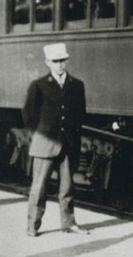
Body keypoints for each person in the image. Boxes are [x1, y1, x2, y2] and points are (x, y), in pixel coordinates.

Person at [23, 42, 88, 237]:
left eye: (62, 60)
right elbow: (28, 113)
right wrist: (40, 135)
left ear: (66, 61)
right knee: (39, 188)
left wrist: (73, 135)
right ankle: (32, 226)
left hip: (68, 144)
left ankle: (68, 223)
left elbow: (80, 113)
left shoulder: (77, 85)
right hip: (45, 144)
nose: (59, 65)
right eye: (55, 61)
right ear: (47, 63)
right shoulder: (39, 85)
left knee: (67, 187)